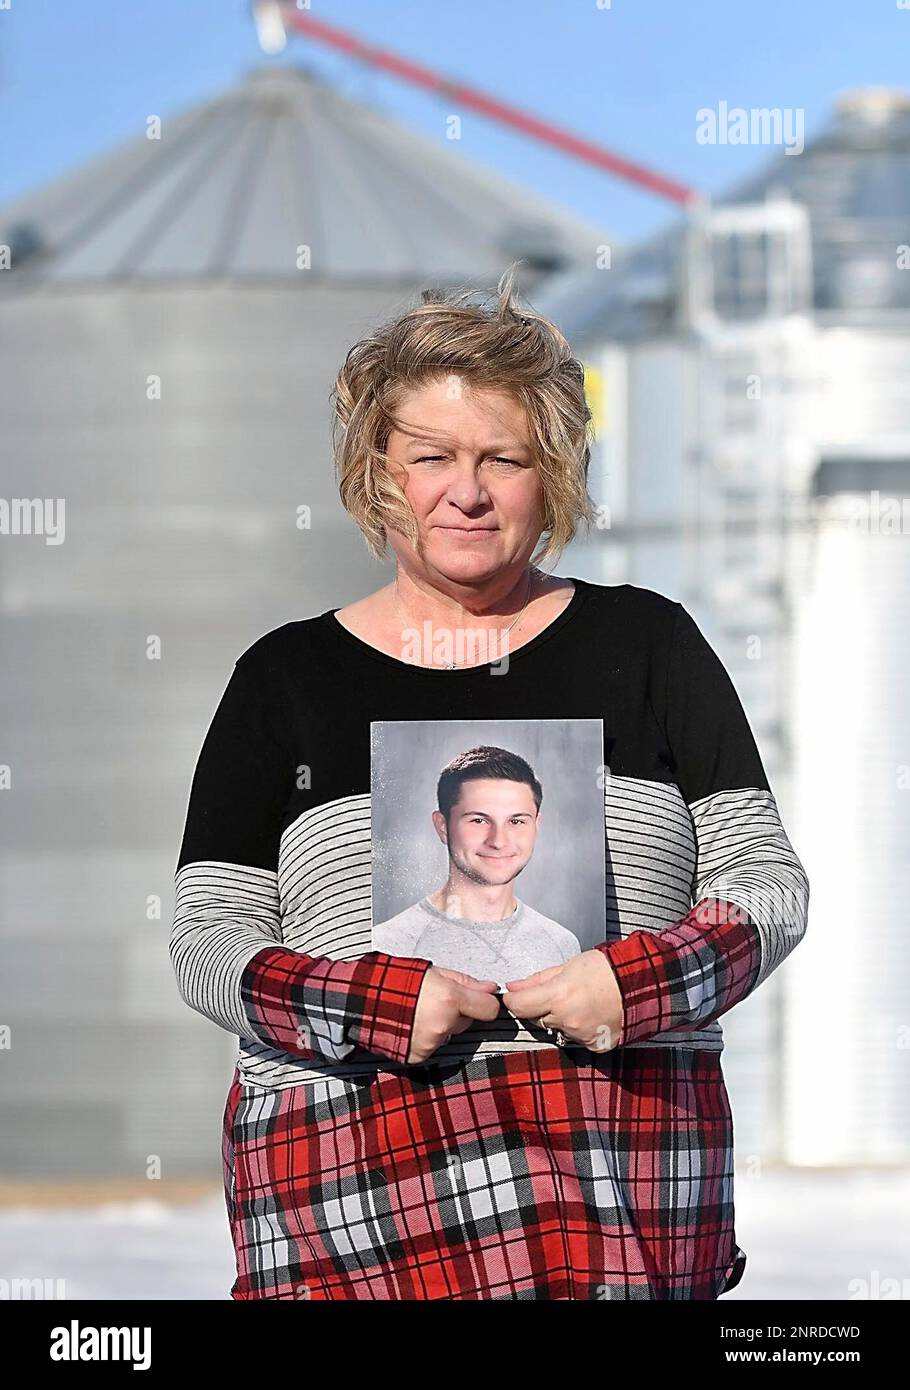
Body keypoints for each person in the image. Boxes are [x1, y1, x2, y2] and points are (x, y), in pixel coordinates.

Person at [170, 266, 809, 1300]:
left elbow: (766, 885)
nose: (464, 491)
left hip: (617, 1228)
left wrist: (629, 985)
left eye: (501, 459)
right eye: (431, 456)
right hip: (360, 1233)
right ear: (378, 469)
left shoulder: (647, 645)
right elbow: (205, 941)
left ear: (549, 473)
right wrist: (373, 1004)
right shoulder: (284, 679)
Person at [373, 744, 582, 984]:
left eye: (516, 821)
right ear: (442, 827)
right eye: (479, 820)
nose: (498, 841)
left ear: (536, 826)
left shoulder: (563, 945)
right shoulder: (390, 945)